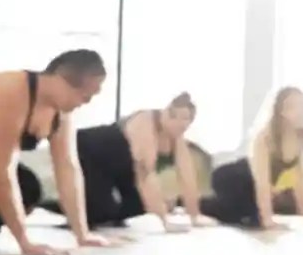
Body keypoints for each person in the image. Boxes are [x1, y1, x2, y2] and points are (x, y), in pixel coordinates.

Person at [0, 49, 114, 255]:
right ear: (63, 79)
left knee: (28, 187)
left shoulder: (60, 113)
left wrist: (82, 234)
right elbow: (1, 173)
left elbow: (68, 168)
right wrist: (25, 242)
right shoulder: (14, 89)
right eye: (86, 96)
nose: (86, 103)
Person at [60, 92, 216, 232]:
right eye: (179, 122)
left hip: (121, 162)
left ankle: (105, 212)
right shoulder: (146, 123)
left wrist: (195, 215)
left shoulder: (176, 135)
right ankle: (73, 209)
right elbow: (146, 174)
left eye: (186, 124)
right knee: (101, 210)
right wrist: (164, 220)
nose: (182, 128)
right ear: (168, 114)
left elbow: (187, 175)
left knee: (139, 206)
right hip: (92, 150)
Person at [201, 86, 303, 230]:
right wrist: (267, 219)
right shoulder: (265, 138)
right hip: (235, 180)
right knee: (231, 214)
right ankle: (193, 197)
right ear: (281, 111)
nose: (299, 112)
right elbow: (262, 183)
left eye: (302, 106)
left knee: (249, 218)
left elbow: (300, 180)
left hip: (251, 189)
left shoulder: (299, 136)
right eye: (293, 107)